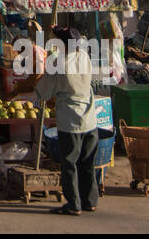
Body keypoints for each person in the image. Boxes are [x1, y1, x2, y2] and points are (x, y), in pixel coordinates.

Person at [34, 25, 100, 215]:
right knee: (87, 163)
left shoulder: (59, 63)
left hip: (70, 122)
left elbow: (43, 91)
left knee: (69, 164)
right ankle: (89, 201)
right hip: (90, 120)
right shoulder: (84, 57)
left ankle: (73, 204)